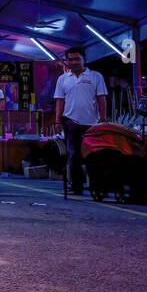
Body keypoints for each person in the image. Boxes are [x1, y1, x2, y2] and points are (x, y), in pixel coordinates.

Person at [53, 47, 107, 196]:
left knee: (94, 156)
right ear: (66, 61)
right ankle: (77, 186)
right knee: (74, 155)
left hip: (93, 124)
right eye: (70, 59)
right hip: (70, 121)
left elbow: (101, 99)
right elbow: (59, 100)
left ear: (84, 59)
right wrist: (57, 121)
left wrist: (103, 119)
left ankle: (98, 186)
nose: (74, 62)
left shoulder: (96, 76)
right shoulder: (62, 79)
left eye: (77, 59)